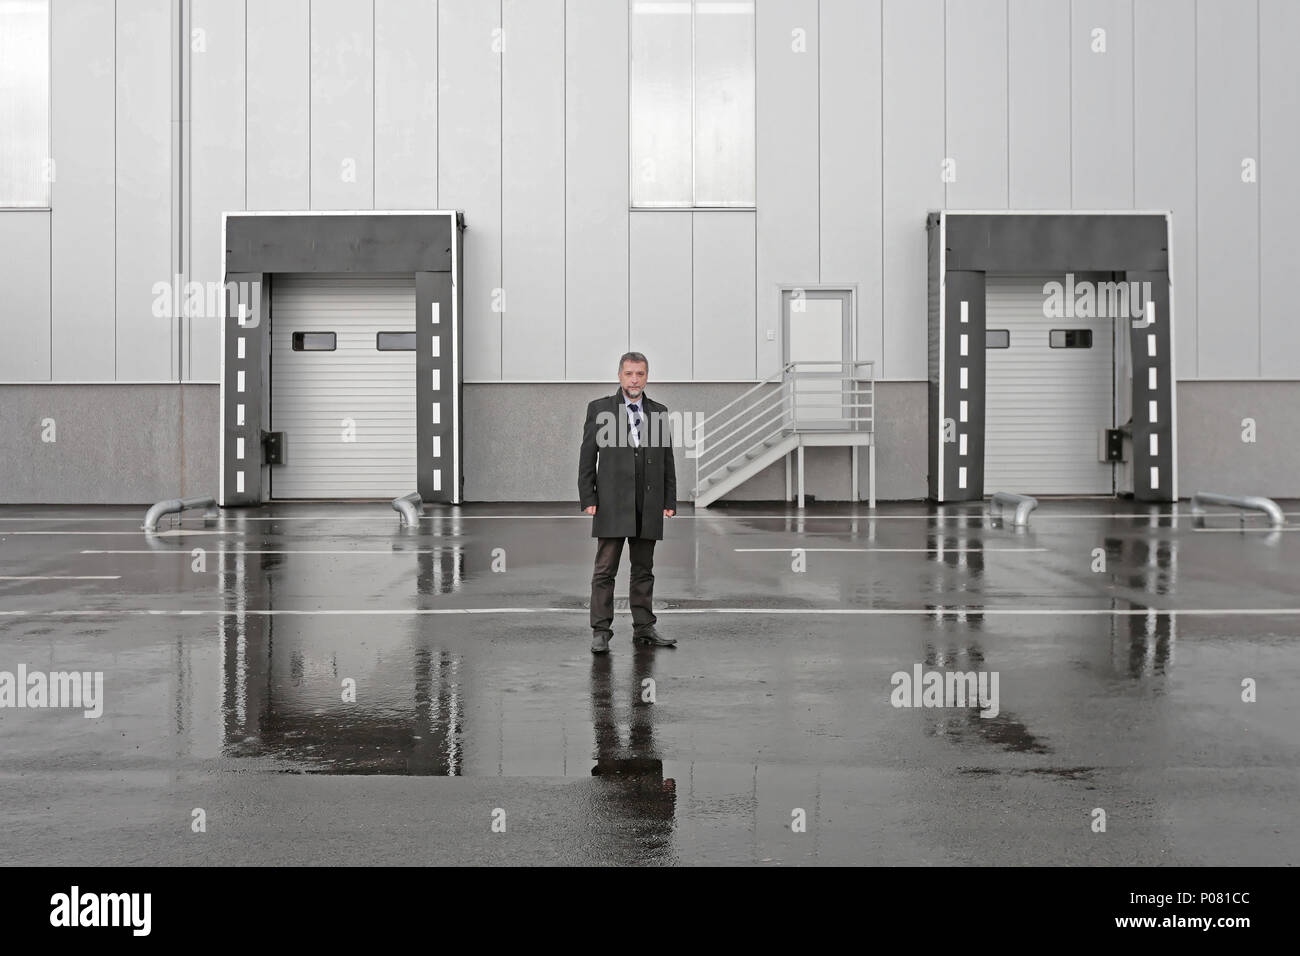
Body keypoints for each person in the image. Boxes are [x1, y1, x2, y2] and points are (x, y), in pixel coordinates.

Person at [578, 352, 677, 653]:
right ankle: (601, 631)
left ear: (647, 376)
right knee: (605, 570)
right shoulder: (599, 409)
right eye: (629, 373)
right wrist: (588, 496)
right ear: (619, 376)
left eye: (641, 374)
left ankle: (644, 628)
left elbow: (666, 460)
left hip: (647, 503)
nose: (635, 379)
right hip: (610, 502)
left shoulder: (658, 412)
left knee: (643, 569)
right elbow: (587, 455)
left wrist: (668, 498)